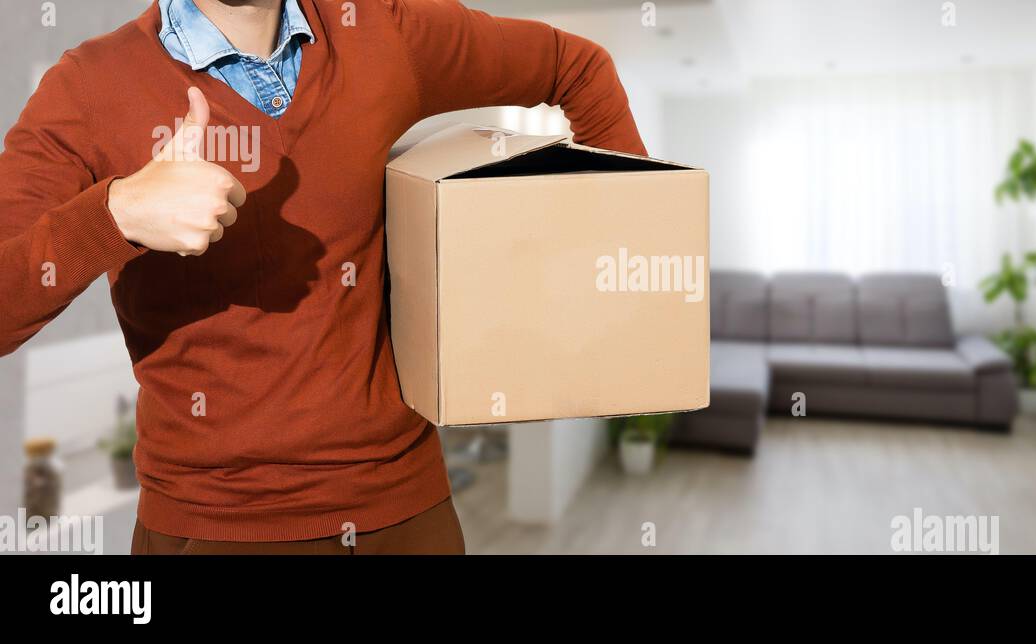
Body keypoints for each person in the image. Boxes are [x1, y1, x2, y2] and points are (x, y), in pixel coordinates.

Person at [0, 0, 645, 554]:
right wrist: (115, 214)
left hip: (403, 518)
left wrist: (613, 278)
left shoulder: (382, 31)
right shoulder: (86, 88)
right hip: (210, 528)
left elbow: (576, 66)